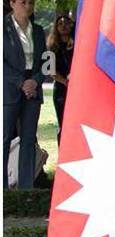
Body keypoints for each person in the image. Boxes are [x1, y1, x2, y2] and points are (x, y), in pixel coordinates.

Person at [4, 0, 46, 188]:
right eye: (23, 2)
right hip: (10, 88)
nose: (28, 6)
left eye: (31, 2)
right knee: (4, 139)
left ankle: (26, 190)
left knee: (28, 140)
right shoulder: (3, 28)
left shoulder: (37, 30)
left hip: (33, 88)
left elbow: (46, 62)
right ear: (12, 4)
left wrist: (35, 81)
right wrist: (21, 82)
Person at [47, 13, 74, 144]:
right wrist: (65, 81)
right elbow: (50, 71)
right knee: (63, 123)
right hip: (61, 89)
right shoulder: (51, 47)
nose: (64, 26)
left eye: (67, 23)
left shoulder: (79, 44)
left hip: (78, 89)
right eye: (60, 24)